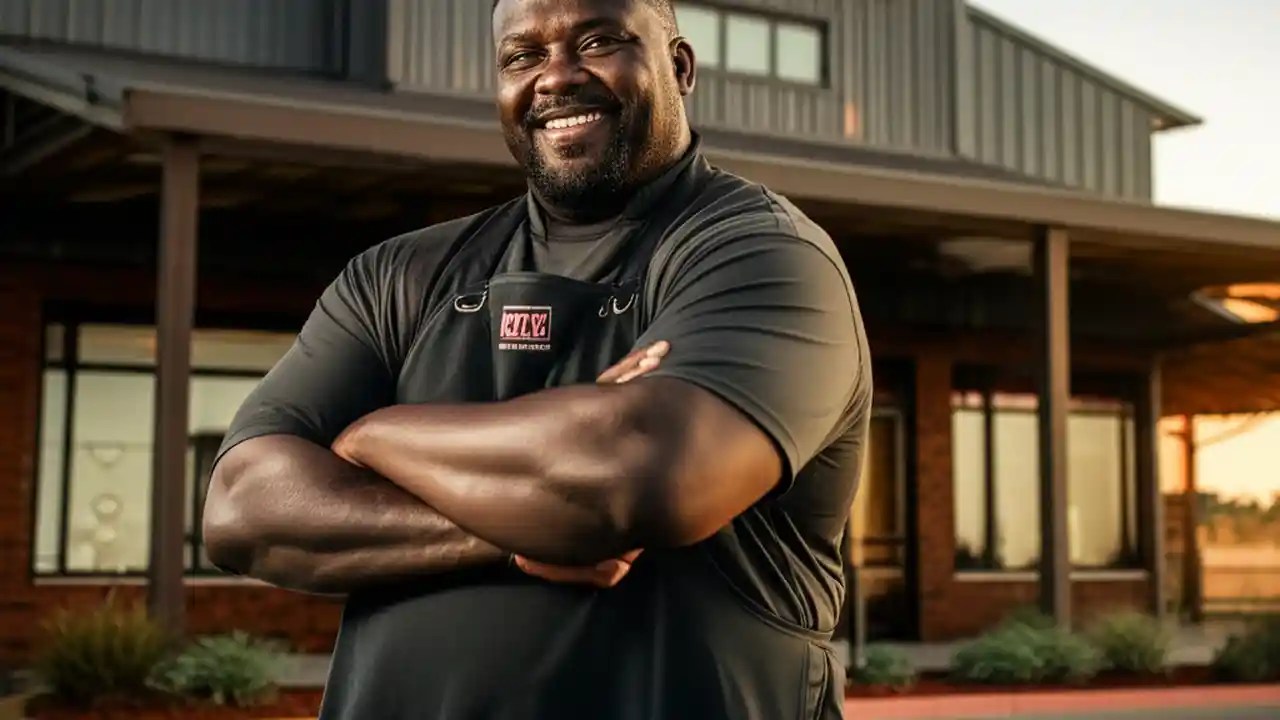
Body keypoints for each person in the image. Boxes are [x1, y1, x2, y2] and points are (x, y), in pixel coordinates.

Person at [202, 0, 872, 717]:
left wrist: (377, 435)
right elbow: (242, 508)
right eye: (523, 57)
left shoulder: (763, 255)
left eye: (597, 41)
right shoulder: (400, 276)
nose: (556, 77)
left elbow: (638, 477)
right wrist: (524, 524)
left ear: (678, 67)